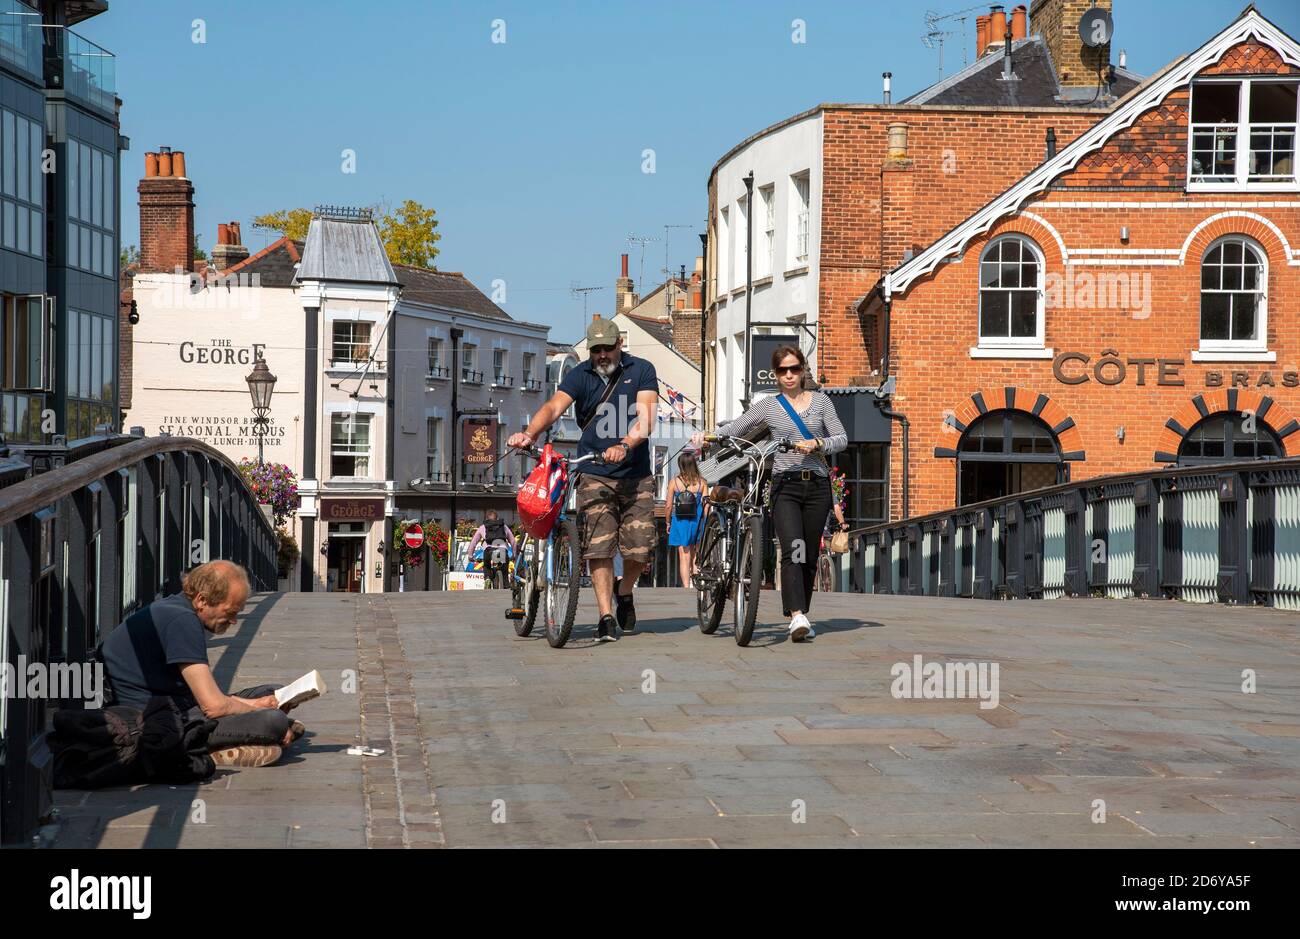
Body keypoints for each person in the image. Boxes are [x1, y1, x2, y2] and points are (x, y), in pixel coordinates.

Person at [507, 318, 658, 641]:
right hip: (594, 472)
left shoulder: (641, 370)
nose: (602, 355)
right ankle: (606, 616)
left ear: (620, 345)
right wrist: (529, 433)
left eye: (607, 348)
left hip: (636, 474)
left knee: (640, 550)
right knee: (599, 548)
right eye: (596, 350)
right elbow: (553, 407)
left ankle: (625, 590)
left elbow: (646, 418)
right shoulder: (582, 374)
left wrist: (625, 445)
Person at [691, 344, 846, 642]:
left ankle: (797, 612)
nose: (789, 375)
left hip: (816, 485)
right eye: (782, 371)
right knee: (792, 548)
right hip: (785, 485)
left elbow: (841, 437)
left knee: (808, 553)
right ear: (775, 375)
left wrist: (819, 444)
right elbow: (735, 428)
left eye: (794, 369)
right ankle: (798, 615)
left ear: (803, 370)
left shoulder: (822, 402)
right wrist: (707, 435)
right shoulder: (768, 406)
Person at [99, 560, 303, 768]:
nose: (233, 621)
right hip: (154, 722)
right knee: (273, 721)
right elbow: (214, 706)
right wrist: (257, 710)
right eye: (230, 612)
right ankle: (212, 749)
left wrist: (256, 704)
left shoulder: (176, 608)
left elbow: (206, 698)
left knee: (274, 691)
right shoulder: (182, 621)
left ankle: (246, 739)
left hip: (177, 705)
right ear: (202, 600)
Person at [666, 447, 707, 588]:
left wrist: (667, 522)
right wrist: (706, 522)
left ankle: (686, 586)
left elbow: (668, 506)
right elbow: (706, 505)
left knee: (684, 555)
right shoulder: (702, 482)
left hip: (680, 521)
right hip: (697, 520)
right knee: (696, 551)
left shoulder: (674, 482)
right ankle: (696, 580)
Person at [465, 509, 517, 585]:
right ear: (497, 518)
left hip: (489, 551)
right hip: (502, 551)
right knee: (504, 570)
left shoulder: (483, 527)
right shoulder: (503, 526)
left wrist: (470, 555)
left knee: (486, 565)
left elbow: (473, 542)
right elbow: (513, 541)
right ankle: (505, 582)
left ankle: (488, 578)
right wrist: (514, 555)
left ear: (486, 518)